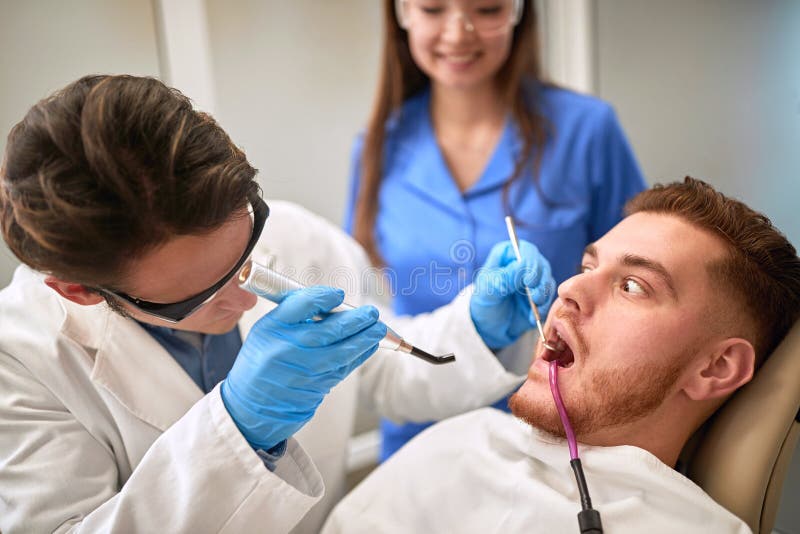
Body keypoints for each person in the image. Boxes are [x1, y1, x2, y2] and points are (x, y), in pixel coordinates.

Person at [0, 75, 556, 532]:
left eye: (247, 251)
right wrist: (240, 431)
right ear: (78, 290)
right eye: (199, 295)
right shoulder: (20, 361)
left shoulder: (293, 236)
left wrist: (477, 330)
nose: (246, 298)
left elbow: (378, 369)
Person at [324, 177, 800, 533]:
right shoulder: (455, 447)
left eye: (633, 286)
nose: (569, 288)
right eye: (587, 266)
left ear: (716, 367)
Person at [345, 0, 647, 460]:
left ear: (519, 11)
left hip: (552, 434)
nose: (457, 33)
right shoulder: (377, 147)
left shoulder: (587, 131)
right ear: (402, 13)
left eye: (486, 9)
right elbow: (364, 303)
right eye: (432, 8)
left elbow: (638, 290)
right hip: (420, 440)